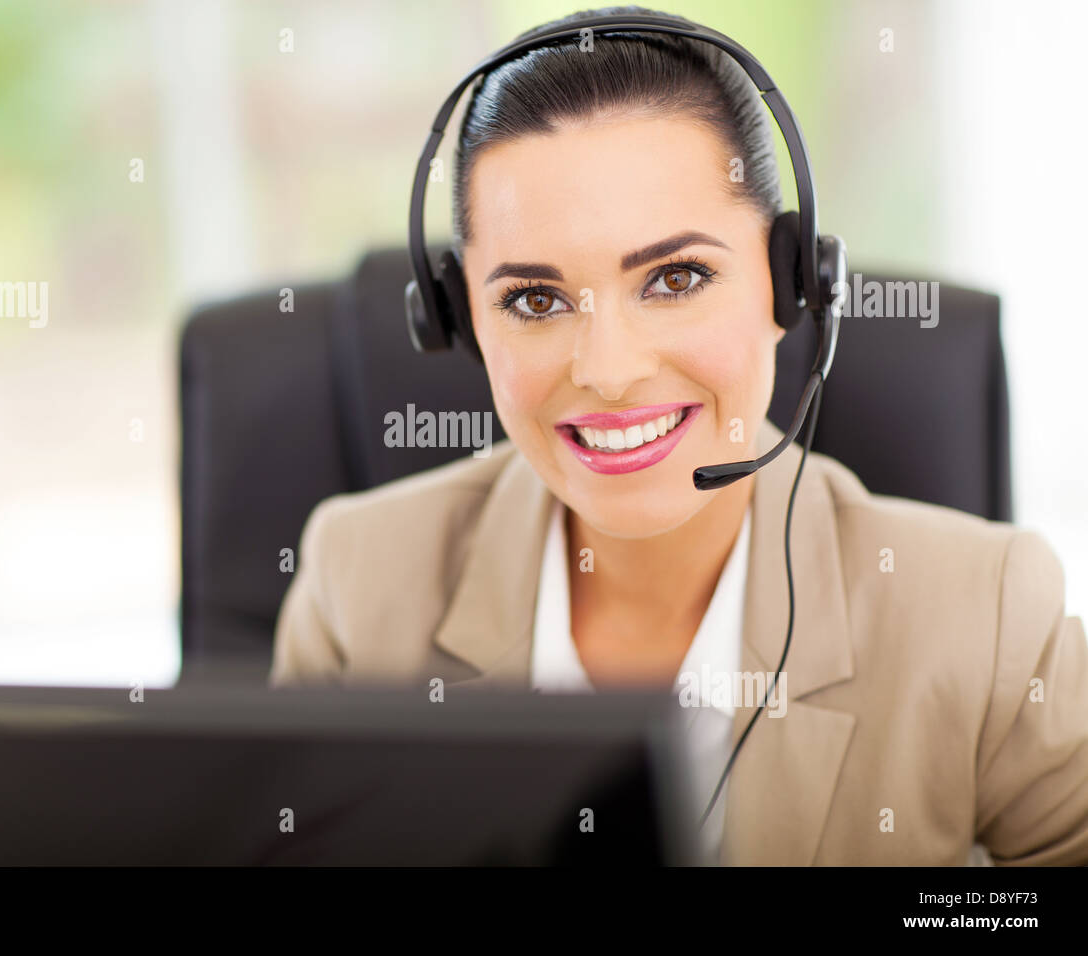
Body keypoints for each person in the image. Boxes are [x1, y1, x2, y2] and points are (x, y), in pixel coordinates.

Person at [269, 6, 1088, 865]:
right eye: (534, 301)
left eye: (676, 277)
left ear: (792, 285)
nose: (610, 371)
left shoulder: (986, 617)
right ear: (458, 321)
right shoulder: (357, 591)